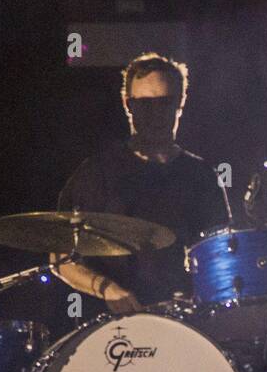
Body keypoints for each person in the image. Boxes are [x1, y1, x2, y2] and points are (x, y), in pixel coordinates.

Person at [53, 51, 226, 313]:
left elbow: (222, 256)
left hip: (186, 324)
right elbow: (60, 258)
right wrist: (106, 288)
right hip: (112, 327)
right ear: (128, 104)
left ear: (180, 103)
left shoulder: (201, 176)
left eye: (164, 103)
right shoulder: (97, 172)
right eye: (145, 104)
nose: (155, 114)